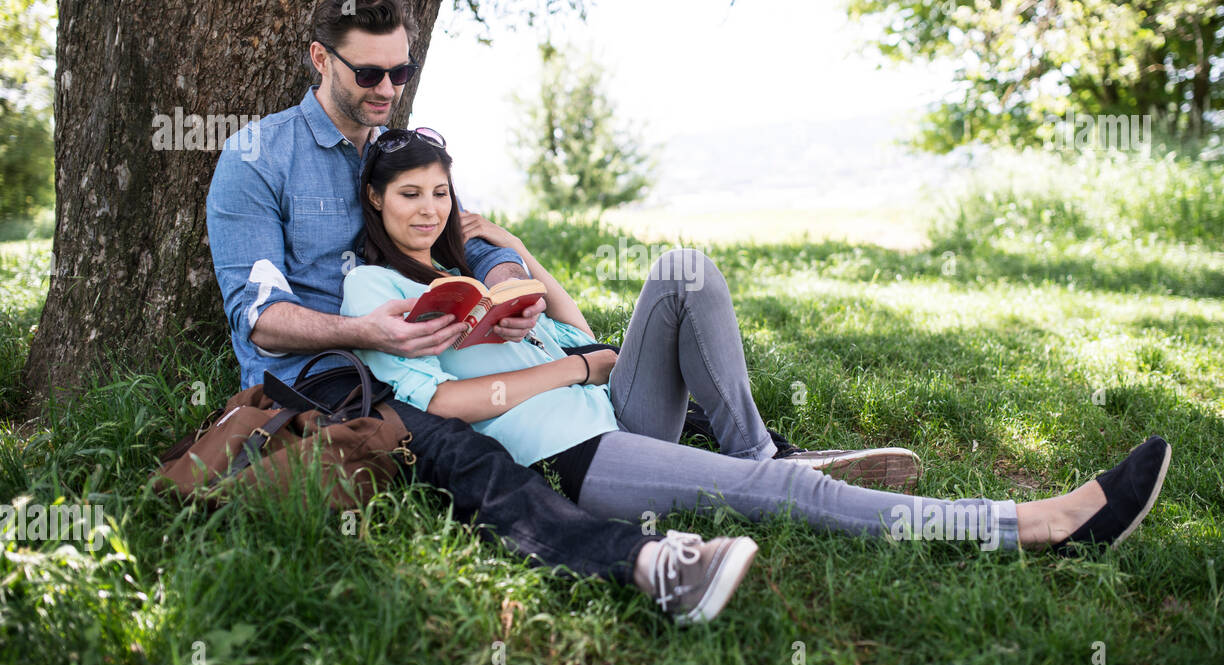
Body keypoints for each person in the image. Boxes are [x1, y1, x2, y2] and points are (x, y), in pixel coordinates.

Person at [341, 128, 1173, 556]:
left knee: (683, 269)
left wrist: (522, 253)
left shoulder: (479, 267)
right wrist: (574, 366)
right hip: (577, 457)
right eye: (409, 193)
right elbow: (445, 402)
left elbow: (592, 337)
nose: (429, 208)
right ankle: (1039, 523)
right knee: (799, 501)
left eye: (441, 192)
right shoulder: (372, 289)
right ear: (375, 199)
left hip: (613, 409)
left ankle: (757, 450)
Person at [206, 0, 759, 624]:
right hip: (328, 379)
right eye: (370, 73)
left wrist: (505, 287)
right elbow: (259, 320)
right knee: (467, 454)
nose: (388, 89)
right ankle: (651, 565)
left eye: (401, 71)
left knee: (600, 372)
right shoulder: (258, 157)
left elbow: (466, 235)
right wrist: (364, 331)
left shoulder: (398, 147)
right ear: (321, 60)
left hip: (423, 345)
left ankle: (763, 454)